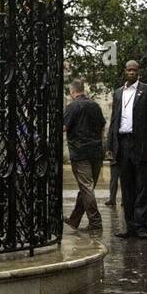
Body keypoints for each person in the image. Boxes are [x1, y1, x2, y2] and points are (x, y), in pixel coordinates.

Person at [107, 60, 147, 239]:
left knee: (142, 187)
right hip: (122, 144)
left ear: (138, 72)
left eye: (134, 70)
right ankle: (129, 227)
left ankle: (141, 227)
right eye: (128, 70)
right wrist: (110, 146)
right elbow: (114, 120)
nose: (131, 72)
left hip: (140, 145)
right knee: (127, 186)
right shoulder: (118, 93)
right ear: (125, 72)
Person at [63, 79, 106, 231]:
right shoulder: (95, 105)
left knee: (86, 187)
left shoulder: (72, 106)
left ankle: (95, 222)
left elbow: (64, 127)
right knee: (87, 187)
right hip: (96, 151)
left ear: (72, 91)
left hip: (80, 152)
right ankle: (74, 219)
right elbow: (102, 127)